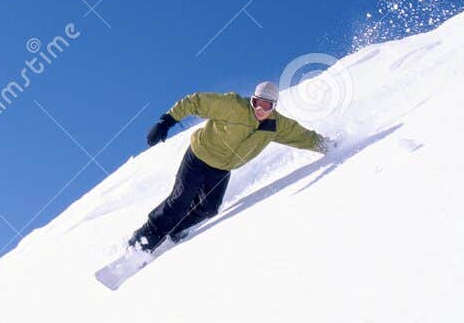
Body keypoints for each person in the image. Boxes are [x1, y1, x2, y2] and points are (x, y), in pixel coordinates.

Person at [129, 80, 328, 252]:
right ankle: (142, 240)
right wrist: (166, 122)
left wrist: (328, 145)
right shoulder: (232, 106)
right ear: (252, 100)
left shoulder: (276, 125)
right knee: (180, 200)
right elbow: (195, 101)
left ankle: (176, 229)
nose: (260, 110)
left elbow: (301, 136)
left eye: (266, 106)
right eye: (257, 103)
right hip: (199, 156)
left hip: (221, 169)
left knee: (209, 209)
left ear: (273, 107)